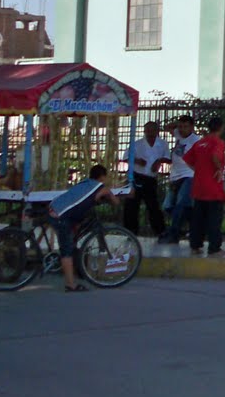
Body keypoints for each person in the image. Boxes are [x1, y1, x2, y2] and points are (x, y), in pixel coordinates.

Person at [48, 165, 116, 293]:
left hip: (54, 209)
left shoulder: (85, 183)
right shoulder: (98, 186)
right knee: (66, 249)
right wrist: (113, 199)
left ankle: (72, 272)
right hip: (61, 216)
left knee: (72, 236)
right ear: (102, 177)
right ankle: (70, 285)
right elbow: (106, 194)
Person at [185, 117, 225, 256]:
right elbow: (215, 156)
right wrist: (218, 169)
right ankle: (214, 247)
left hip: (199, 185)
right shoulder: (218, 142)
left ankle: (195, 245)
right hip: (213, 187)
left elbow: (187, 159)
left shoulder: (200, 143)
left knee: (198, 217)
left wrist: (199, 170)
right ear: (221, 128)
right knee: (214, 218)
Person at [122, 121, 169, 237]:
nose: (149, 133)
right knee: (132, 205)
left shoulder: (162, 144)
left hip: (151, 178)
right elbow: (125, 158)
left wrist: (159, 162)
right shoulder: (137, 144)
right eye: (147, 130)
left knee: (153, 206)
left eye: (152, 130)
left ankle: (160, 231)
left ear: (157, 131)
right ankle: (131, 232)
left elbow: (168, 158)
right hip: (137, 176)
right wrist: (137, 161)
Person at [159, 115, 199, 244]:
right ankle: (195, 229)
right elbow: (167, 127)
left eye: (185, 127)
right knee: (169, 206)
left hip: (189, 176)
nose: (182, 129)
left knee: (179, 205)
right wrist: (176, 125)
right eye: (180, 126)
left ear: (192, 127)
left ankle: (174, 233)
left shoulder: (195, 141)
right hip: (175, 176)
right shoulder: (179, 135)